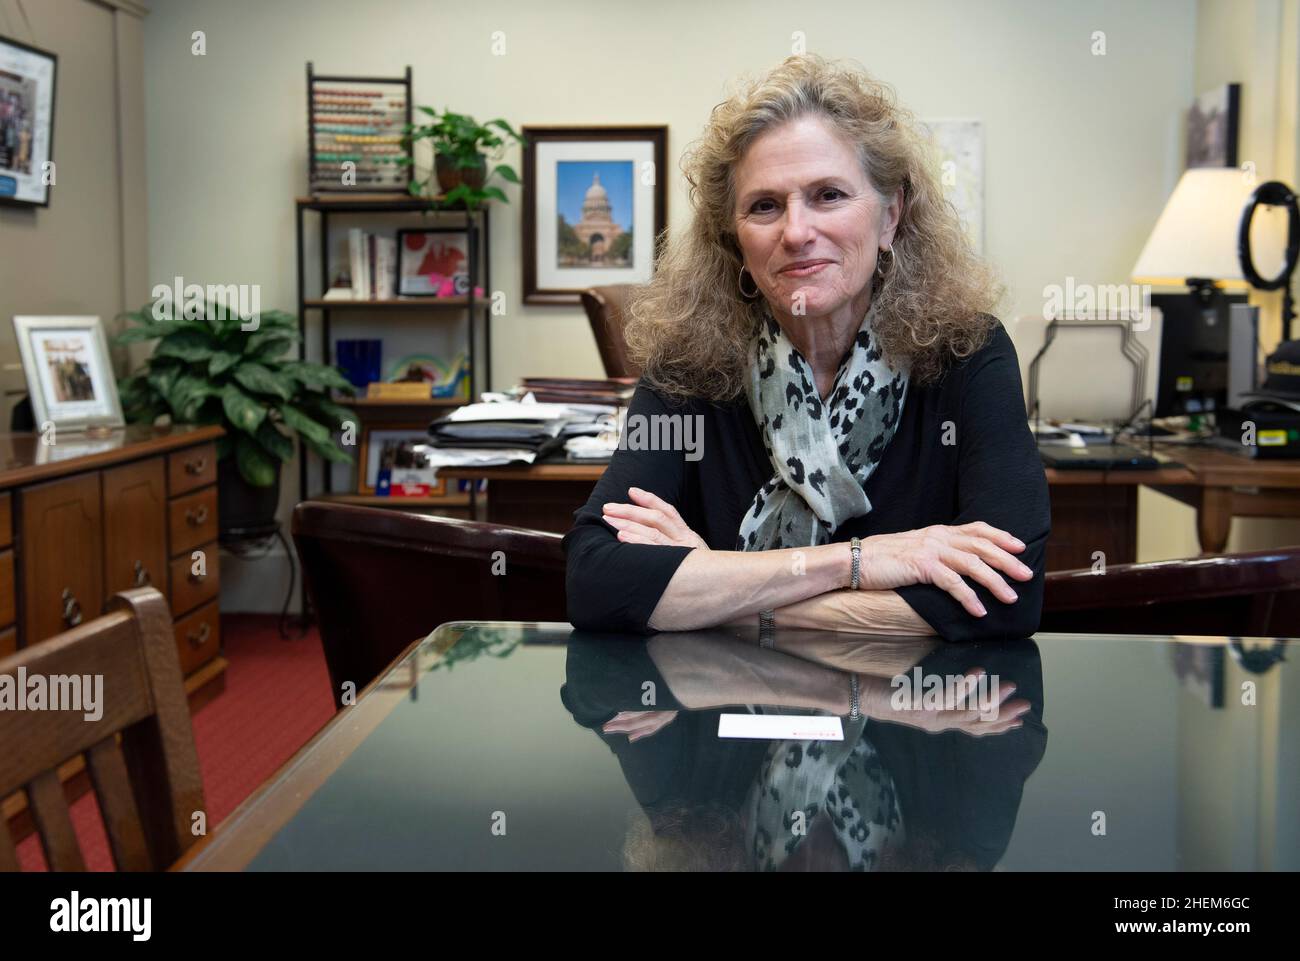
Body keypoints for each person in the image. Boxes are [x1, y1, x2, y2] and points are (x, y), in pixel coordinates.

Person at [563, 54, 1050, 643]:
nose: (795, 232)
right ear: (734, 237)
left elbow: (1004, 601)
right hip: (713, 720)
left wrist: (712, 585)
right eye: (764, 206)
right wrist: (860, 562)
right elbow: (596, 583)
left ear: (891, 216)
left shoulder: (968, 354)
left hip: (913, 718)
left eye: (828, 195)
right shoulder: (687, 368)